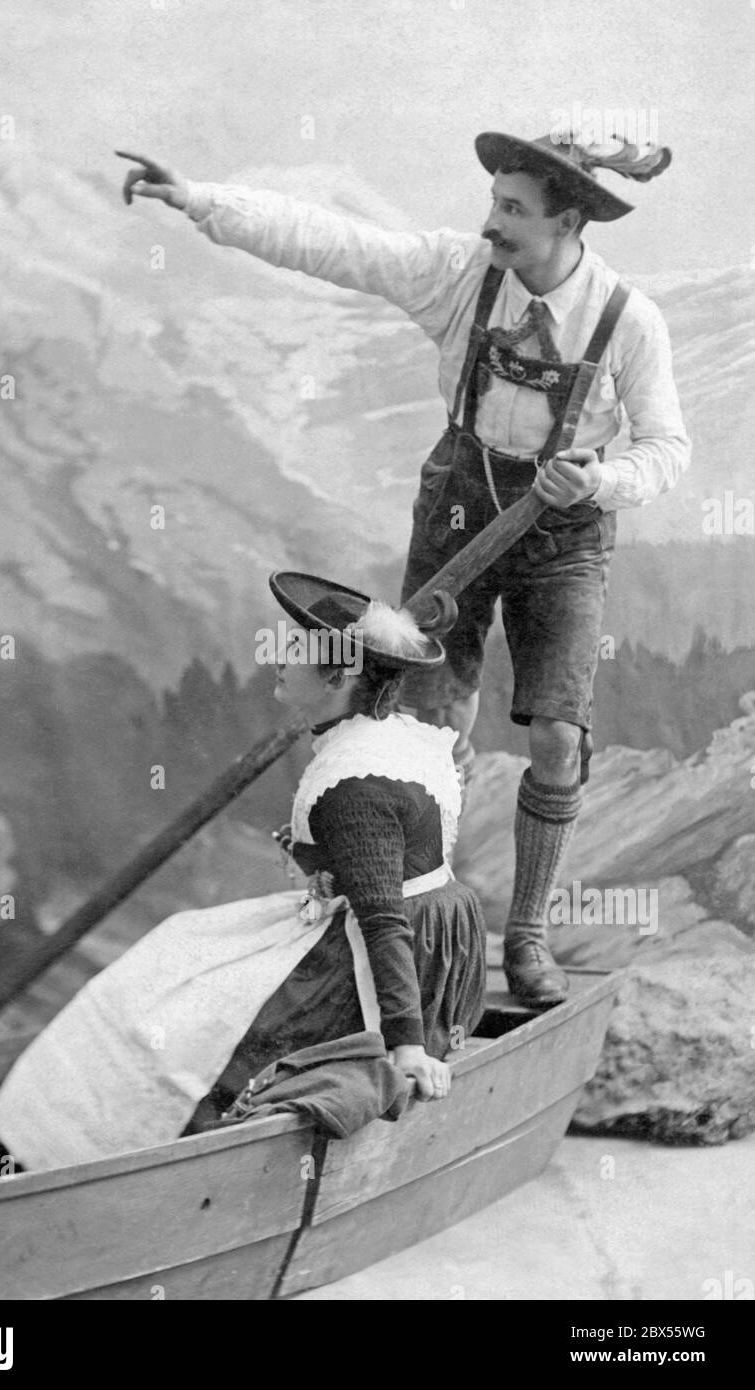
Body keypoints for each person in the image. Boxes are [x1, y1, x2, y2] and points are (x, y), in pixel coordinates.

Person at [117, 126, 689, 1007]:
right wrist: (198, 199)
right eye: (493, 201)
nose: (491, 221)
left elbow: (666, 449)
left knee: (556, 735)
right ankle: (428, 929)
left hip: (564, 532)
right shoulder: (460, 273)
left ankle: (526, 934)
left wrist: (598, 481)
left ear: (568, 222)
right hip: (457, 510)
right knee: (427, 725)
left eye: (513, 209)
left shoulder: (626, 320)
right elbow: (332, 244)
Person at [0, 572, 487, 1171]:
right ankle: (65, 1139)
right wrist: (322, 858)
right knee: (181, 947)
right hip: (431, 936)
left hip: (383, 968)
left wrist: (406, 1046)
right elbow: (403, 855)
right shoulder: (393, 739)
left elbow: (383, 920)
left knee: (177, 1016)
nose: (278, 658)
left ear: (339, 677)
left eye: (296, 649)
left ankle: (115, 1155)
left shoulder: (355, 783)